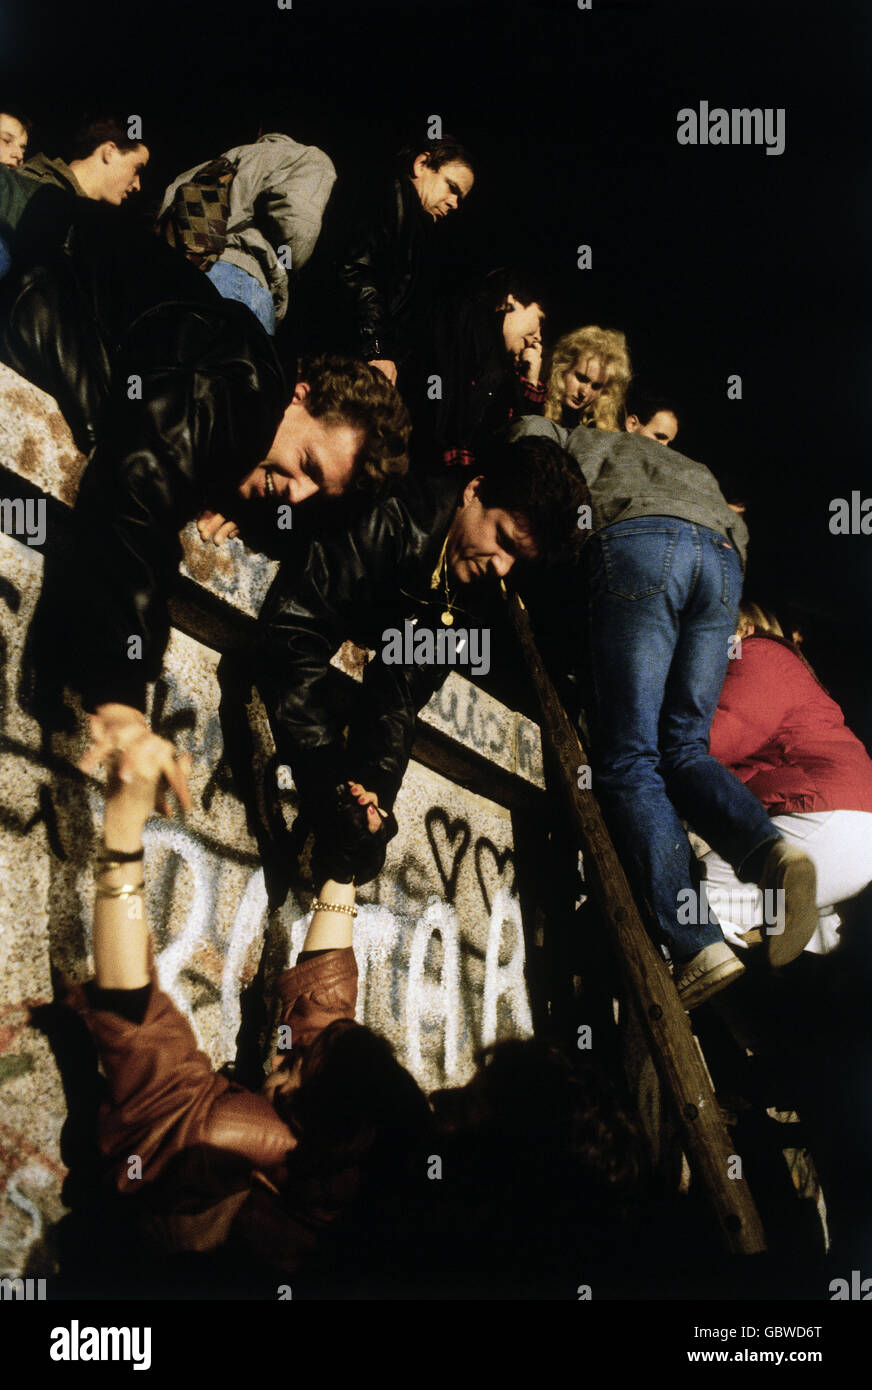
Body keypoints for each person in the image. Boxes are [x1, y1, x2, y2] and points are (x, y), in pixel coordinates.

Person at [1, 209, 409, 800]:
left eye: (318, 494)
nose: (297, 494)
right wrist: (120, 700)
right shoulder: (239, 385)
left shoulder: (258, 426)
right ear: (300, 396)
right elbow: (138, 487)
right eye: (309, 467)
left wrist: (248, 497)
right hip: (29, 271)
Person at [67, 729, 430, 1296]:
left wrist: (121, 827)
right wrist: (344, 868)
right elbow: (323, 1013)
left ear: (293, 1113)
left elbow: (133, 1015)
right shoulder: (362, 1180)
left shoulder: (231, 1141)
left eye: (289, 1066)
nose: (286, 1053)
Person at [513, 417, 820, 1007]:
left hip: (638, 544)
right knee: (684, 750)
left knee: (629, 757)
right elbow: (741, 532)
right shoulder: (689, 467)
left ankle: (696, 944)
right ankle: (771, 851)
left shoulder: (574, 437)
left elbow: (528, 437)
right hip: (723, 561)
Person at [254, 434, 586, 888]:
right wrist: (329, 784)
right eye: (503, 538)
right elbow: (294, 633)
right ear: (474, 491)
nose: (502, 567)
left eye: (518, 559)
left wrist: (374, 801)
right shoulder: (389, 518)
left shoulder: (475, 589)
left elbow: (401, 690)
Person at [699, 602, 872, 955]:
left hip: (829, 816)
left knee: (692, 891)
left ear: (745, 628)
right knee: (750, 904)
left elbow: (714, 741)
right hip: (845, 825)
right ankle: (772, 933)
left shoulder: (759, 654)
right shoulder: (788, 668)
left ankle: (705, 960)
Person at [307, 135, 475, 383]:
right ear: (421, 164)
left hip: (346, 355)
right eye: (452, 188)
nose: (455, 204)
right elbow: (356, 269)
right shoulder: (386, 190)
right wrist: (375, 349)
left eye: (461, 198)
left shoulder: (413, 223)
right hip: (335, 354)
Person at [159, 132, 336, 335]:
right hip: (238, 277)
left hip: (178, 285)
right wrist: (286, 267)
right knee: (232, 363)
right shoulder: (305, 156)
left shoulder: (207, 166)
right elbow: (296, 227)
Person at [407, 268, 547, 472]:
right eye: (539, 321)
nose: (539, 337)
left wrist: (531, 380)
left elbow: (520, 440)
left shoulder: (504, 367)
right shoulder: (463, 326)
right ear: (511, 301)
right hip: (433, 471)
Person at [23, 113, 149, 204]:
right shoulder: (30, 187)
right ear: (109, 152)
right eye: (137, 170)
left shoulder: (87, 218)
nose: (137, 186)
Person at [543, 325, 631, 432]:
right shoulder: (537, 401)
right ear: (563, 368)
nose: (584, 392)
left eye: (596, 386)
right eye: (581, 378)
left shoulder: (599, 428)